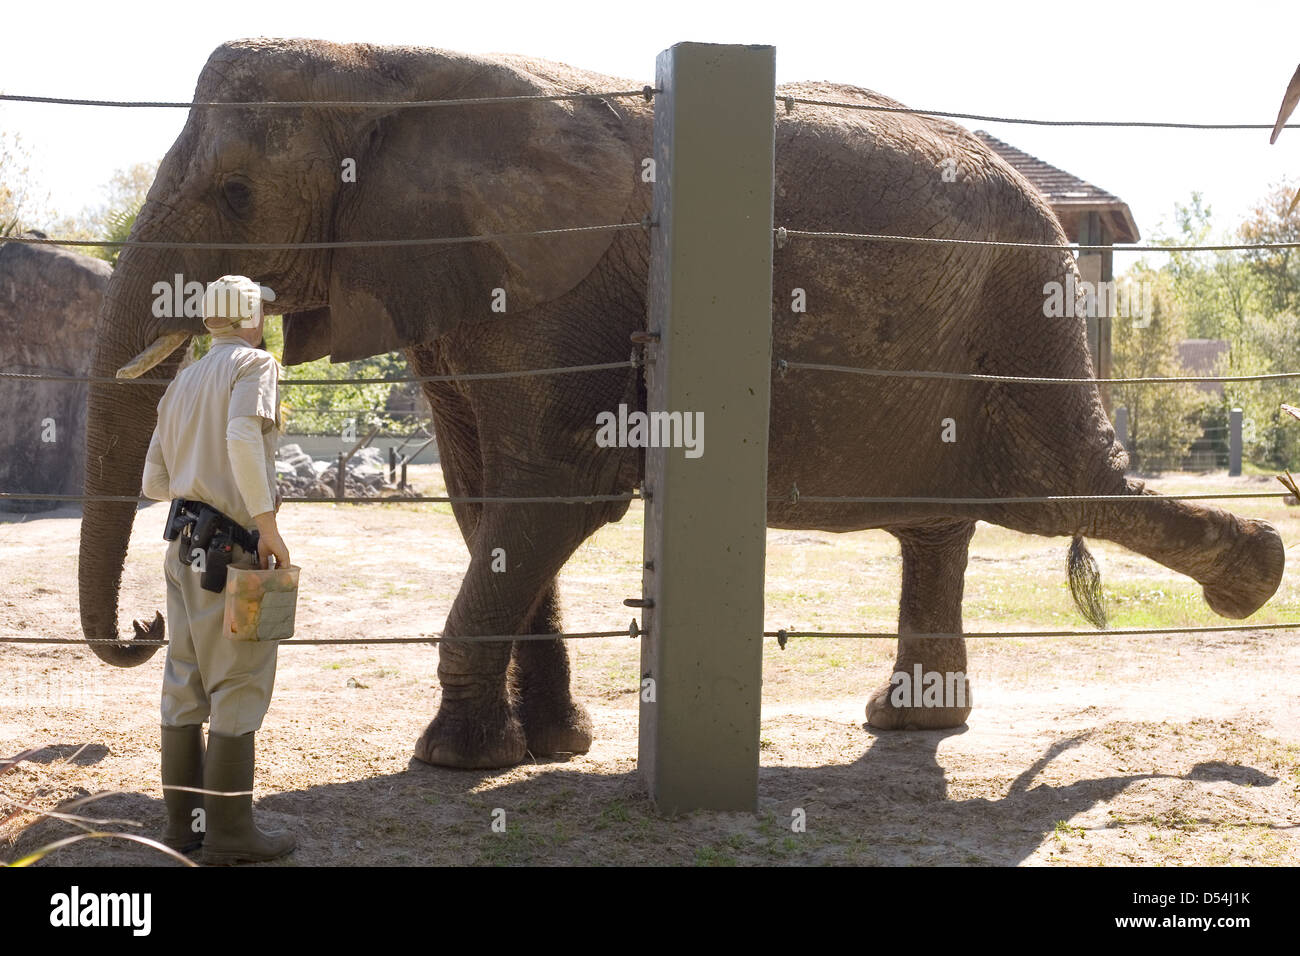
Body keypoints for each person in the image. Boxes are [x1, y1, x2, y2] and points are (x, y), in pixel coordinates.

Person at [140, 274, 296, 864]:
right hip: (232, 550)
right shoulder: (255, 365)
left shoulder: (181, 381)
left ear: (210, 320)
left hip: (181, 549)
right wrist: (267, 524)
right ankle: (230, 836)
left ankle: (185, 827)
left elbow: (154, 482)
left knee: (185, 680)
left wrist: (194, 481)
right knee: (239, 680)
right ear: (251, 316)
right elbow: (239, 437)